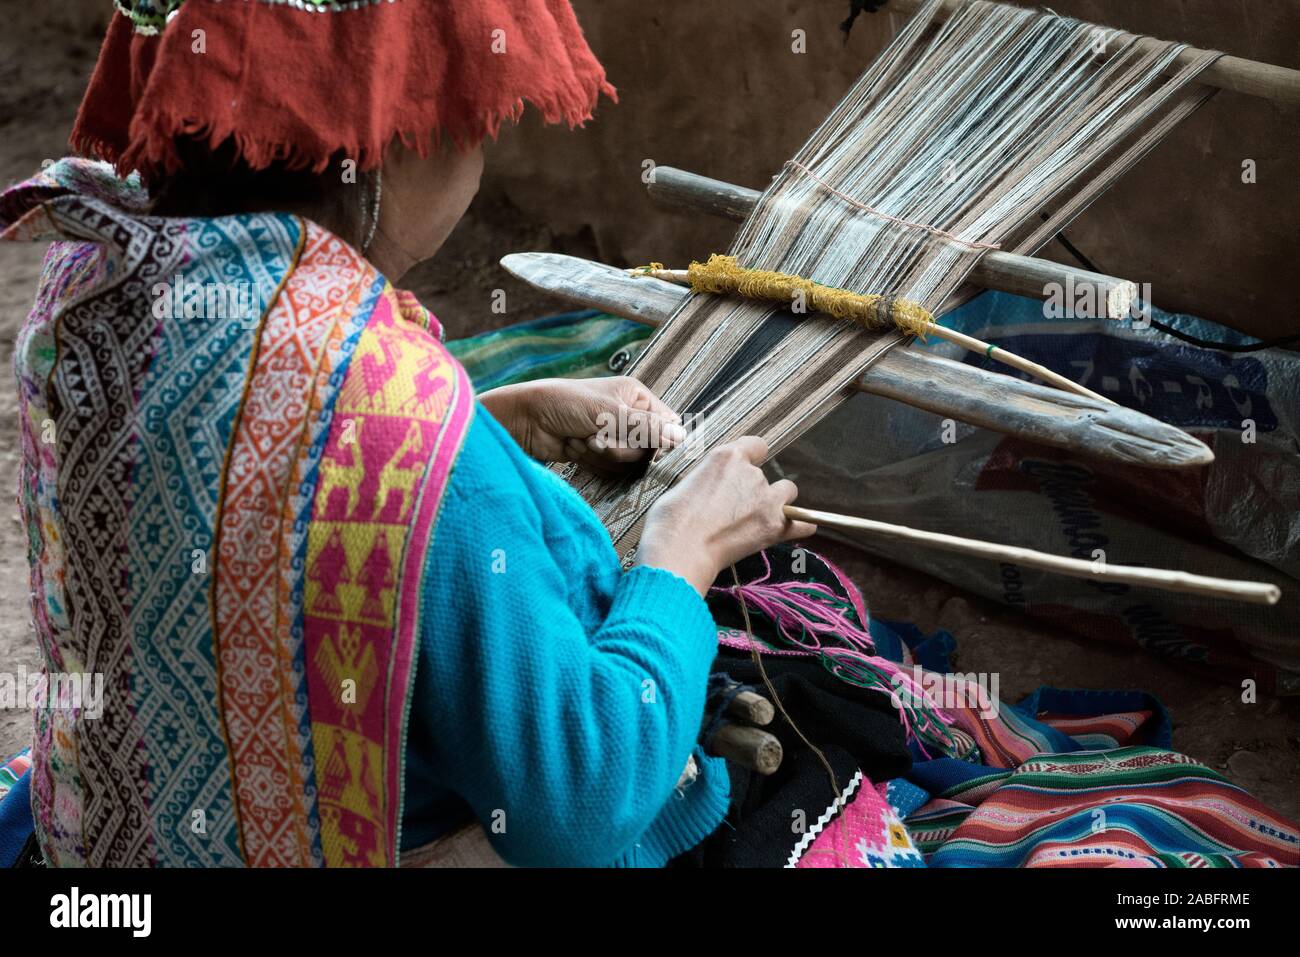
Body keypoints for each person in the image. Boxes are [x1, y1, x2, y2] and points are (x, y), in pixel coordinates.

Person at [0, 0, 813, 867]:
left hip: (109, 856)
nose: (480, 141)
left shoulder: (92, 291)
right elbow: (580, 802)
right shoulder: (396, 414)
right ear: (394, 135)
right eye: (473, 113)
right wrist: (683, 550)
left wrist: (502, 415)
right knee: (816, 728)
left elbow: (249, 470)